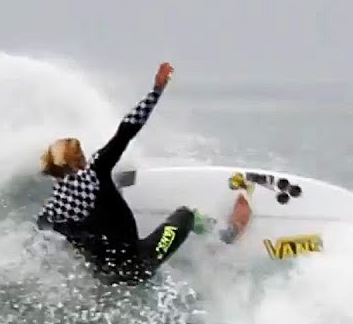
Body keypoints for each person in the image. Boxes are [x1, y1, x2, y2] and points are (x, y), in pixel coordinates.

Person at [35, 62, 252, 284]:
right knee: (186, 215)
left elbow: (46, 236)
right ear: (78, 160)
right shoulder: (94, 174)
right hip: (140, 264)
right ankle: (228, 234)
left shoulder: (51, 211)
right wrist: (156, 91)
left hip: (104, 278)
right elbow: (127, 129)